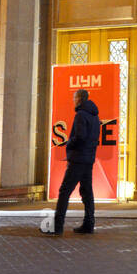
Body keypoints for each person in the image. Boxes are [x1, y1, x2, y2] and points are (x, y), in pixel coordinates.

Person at [45, 89, 99, 236]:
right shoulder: (95, 116)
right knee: (87, 192)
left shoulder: (81, 115)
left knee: (64, 191)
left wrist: (69, 144)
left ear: (80, 99)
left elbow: (80, 136)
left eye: (74, 98)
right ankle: (89, 224)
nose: (73, 100)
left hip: (78, 159)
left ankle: (57, 226)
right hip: (88, 159)